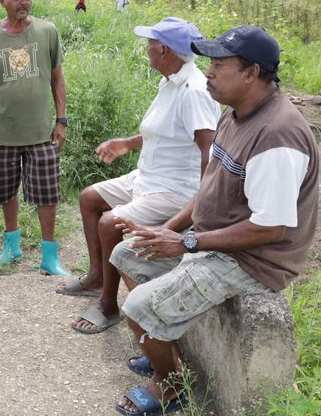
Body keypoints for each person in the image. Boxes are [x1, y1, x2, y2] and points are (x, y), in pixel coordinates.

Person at [108, 25, 319, 416]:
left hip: (252, 260)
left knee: (137, 307)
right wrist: (168, 230)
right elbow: (208, 188)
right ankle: (162, 350)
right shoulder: (235, 113)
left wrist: (187, 243)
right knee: (128, 253)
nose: (208, 72)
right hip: (213, 240)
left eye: (219, 64)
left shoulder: (277, 136)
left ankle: (170, 386)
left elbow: (271, 228)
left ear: (251, 73)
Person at [62, 18, 220, 334]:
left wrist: (201, 206)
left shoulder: (194, 91)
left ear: (163, 49)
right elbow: (164, 133)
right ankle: (96, 277)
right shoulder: (171, 82)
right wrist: (127, 144)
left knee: (110, 223)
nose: (146, 49)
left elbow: (209, 151)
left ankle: (108, 305)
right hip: (148, 177)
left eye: (150, 43)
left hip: (174, 188)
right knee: (90, 198)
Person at [0, 0, 72, 276]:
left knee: (47, 193)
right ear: (2, 1)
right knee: (6, 191)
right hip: (1, 132)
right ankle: (11, 248)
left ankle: (49, 256)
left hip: (41, 131)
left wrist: (61, 120)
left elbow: (57, 78)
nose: (23, 2)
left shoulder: (47, 32)